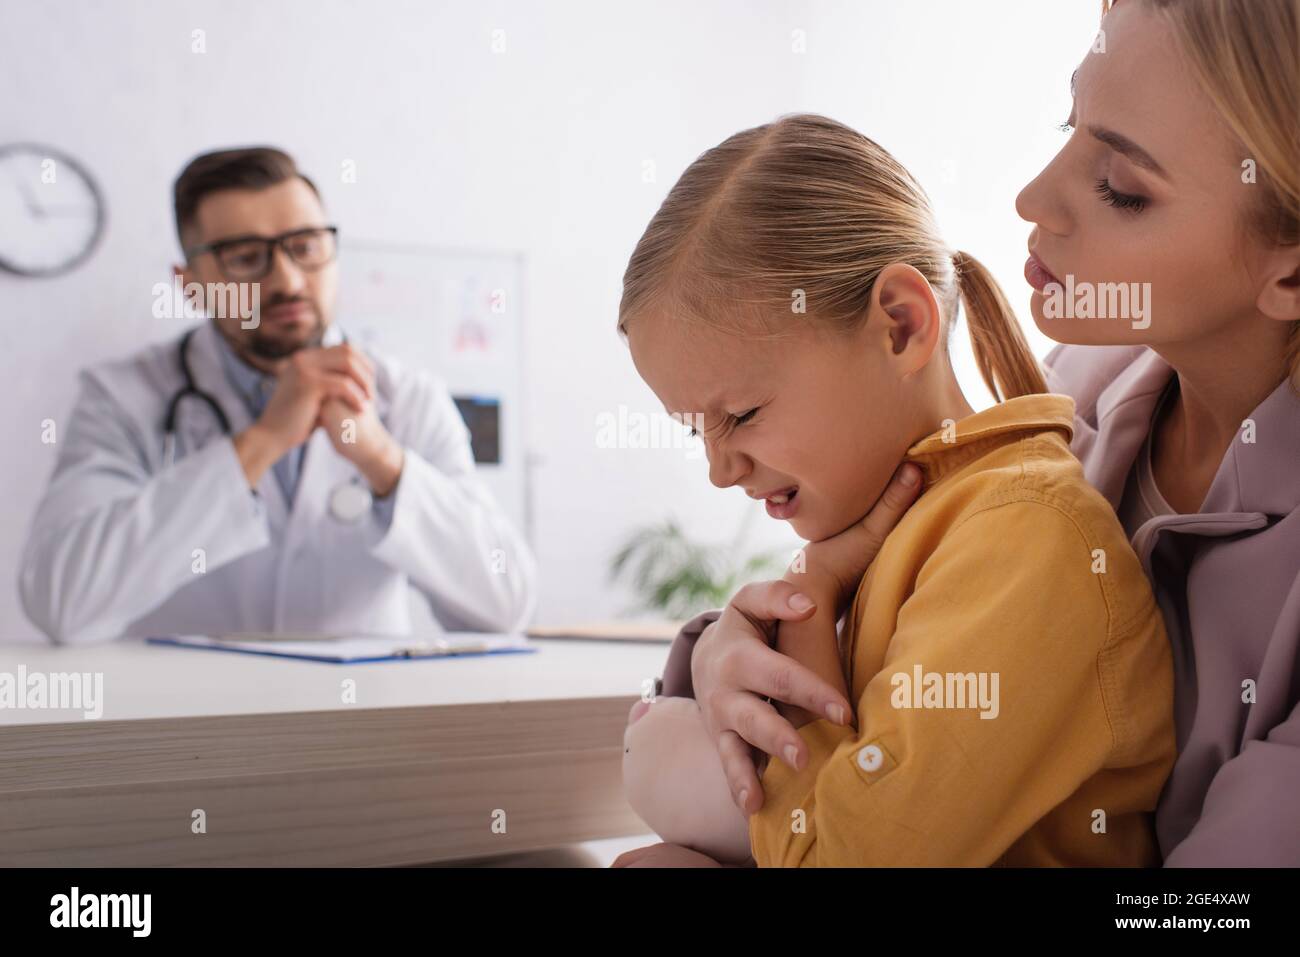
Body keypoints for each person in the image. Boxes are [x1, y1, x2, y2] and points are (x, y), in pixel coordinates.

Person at [620, 0, 1300, 867]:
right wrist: (734, 648)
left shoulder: (1033, 517)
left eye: (1123, 188)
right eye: (1070, 122)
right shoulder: (1056, 401)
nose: (1031, 196)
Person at [20, 147, 536, 645]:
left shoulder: (408, 399)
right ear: (191, 283)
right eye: (245, 258)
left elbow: (506, 604)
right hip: (184, 729)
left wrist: (382, 461)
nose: (287, 280)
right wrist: (261, 443)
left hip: (362, 728)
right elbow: (60, 602)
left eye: (306, 247)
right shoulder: (123, 396)